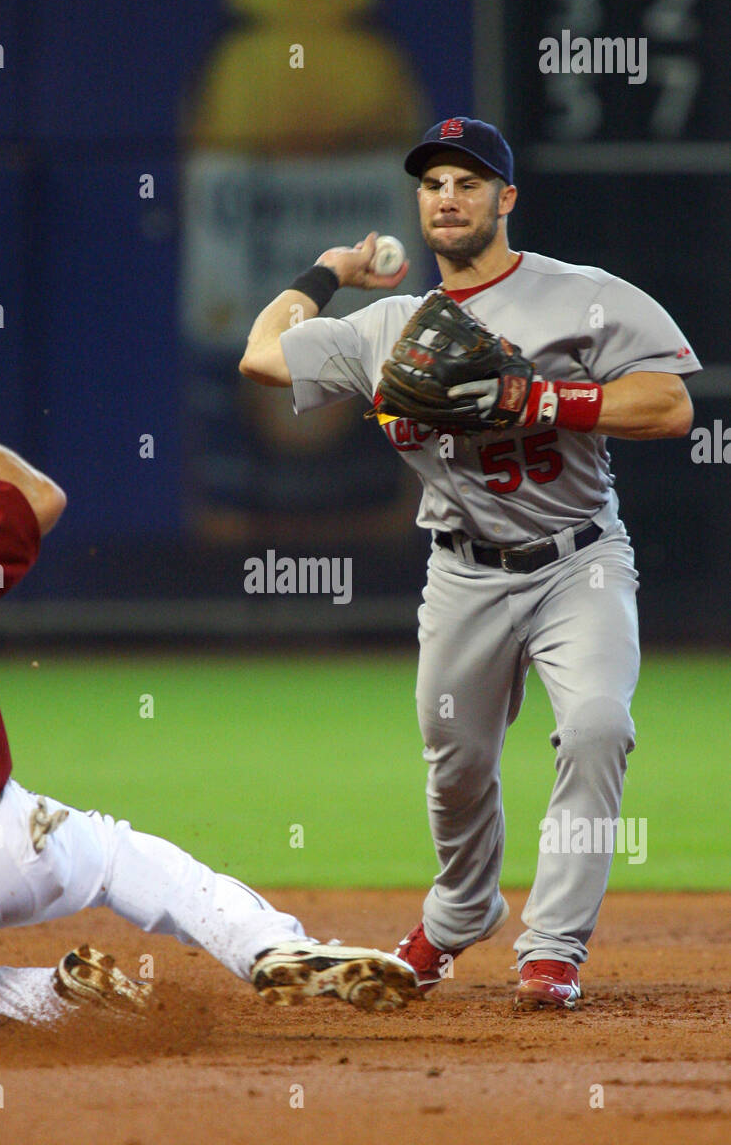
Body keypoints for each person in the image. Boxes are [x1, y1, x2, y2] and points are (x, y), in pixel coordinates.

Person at [239, 115, 700, 1010]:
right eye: (433, 184)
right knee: (455, 764)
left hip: (580, 562)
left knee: (600, 726)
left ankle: (553, 949)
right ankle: (458, 915)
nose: (448, 198)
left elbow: (670, 405)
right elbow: (262, 355)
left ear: (506, 199)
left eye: (468, 182)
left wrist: (543, 396)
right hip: (462, 574)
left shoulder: (583, 297)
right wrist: (330, 271)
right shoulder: (384, 329)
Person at [0, 393, 417, 1023]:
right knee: (119, 856)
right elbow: (35, 495)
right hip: (12, 841)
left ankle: (53, 1002)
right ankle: (271, 944)